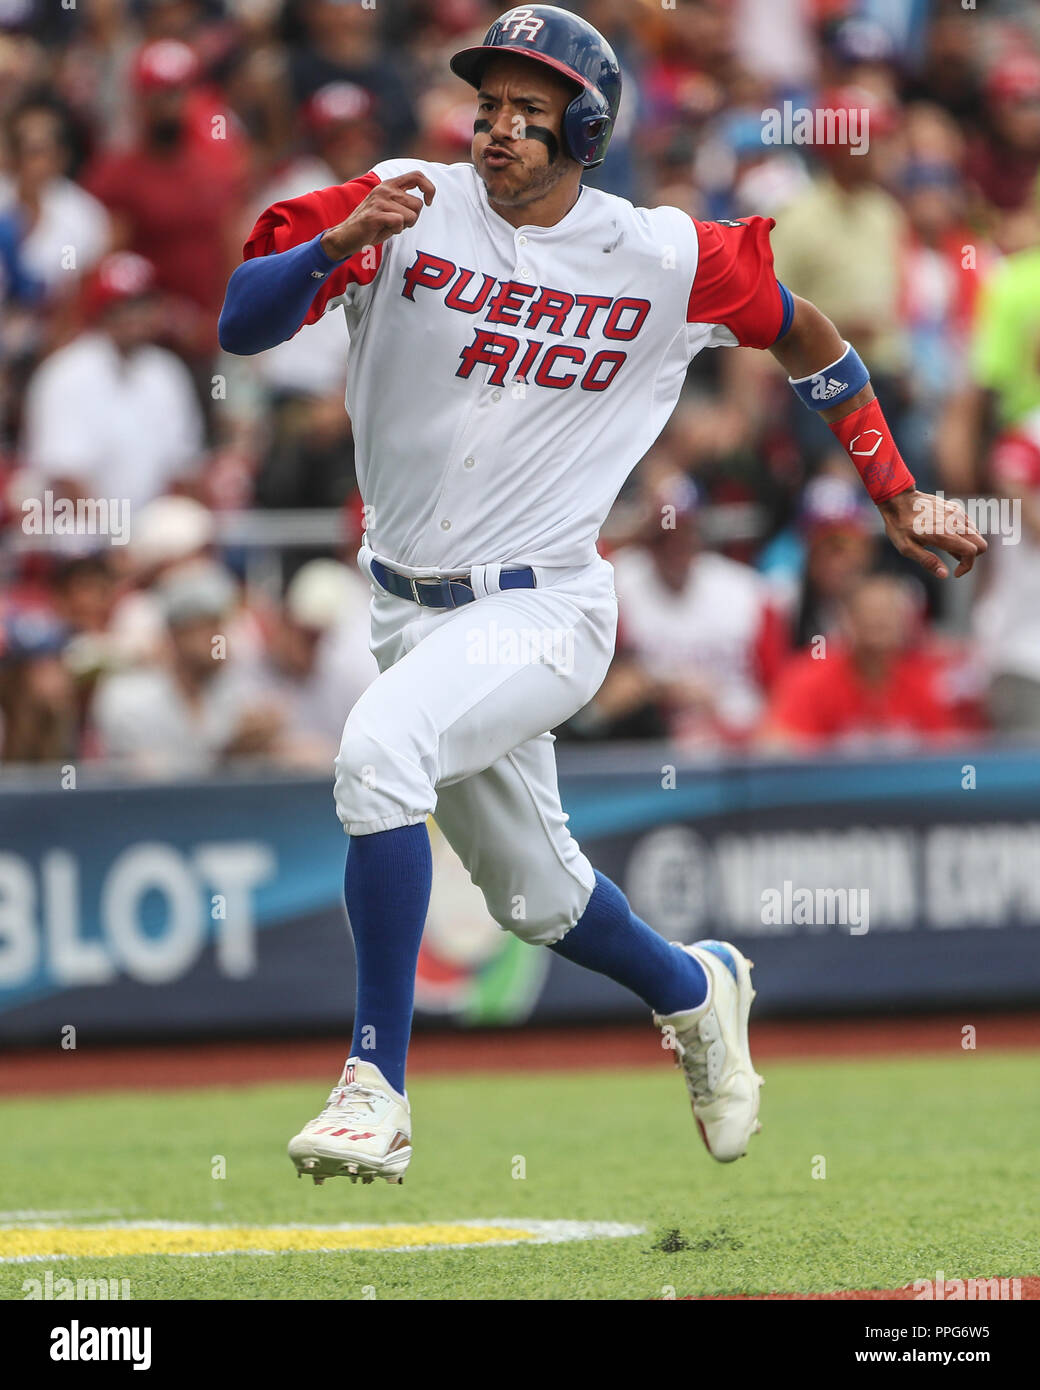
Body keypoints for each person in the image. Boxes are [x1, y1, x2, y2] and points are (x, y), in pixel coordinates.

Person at [219, 5, 984, 1187]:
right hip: (407, 608)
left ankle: (374, 1085)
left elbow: (806, 336)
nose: (498, 129)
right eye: (486, 106)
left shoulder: (661, 252)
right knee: (536, 897)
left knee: (376, 755)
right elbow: (239, 321)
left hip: (546, 605)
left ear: (586, 122)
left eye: (529, 109)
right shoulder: (402, 202)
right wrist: (328, 250)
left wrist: (891, 485)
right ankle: (696, 989)